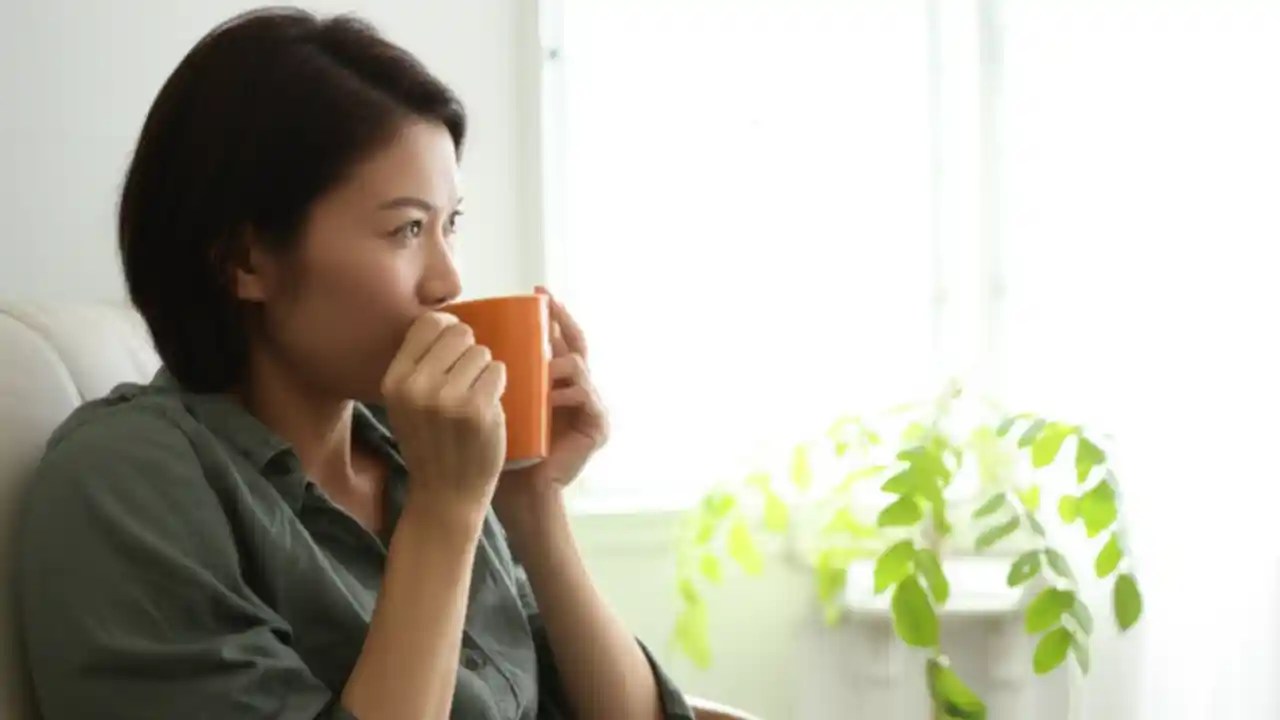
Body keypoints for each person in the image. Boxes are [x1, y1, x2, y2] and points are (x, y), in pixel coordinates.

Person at [16, 8, 693, 720]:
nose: (447, 282)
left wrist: (531, 503)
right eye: (405, 229)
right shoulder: (126, 481)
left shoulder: (416, 450)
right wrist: (442, 514)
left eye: (449, 225)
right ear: (245, 259)